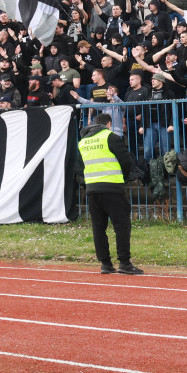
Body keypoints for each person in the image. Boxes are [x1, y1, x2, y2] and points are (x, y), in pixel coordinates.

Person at [77, 113, 144, 275]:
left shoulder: (83, 141)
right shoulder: (111, 137)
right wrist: (124, 178)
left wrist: (88, 184)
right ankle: (124, 263)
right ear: (108, 124)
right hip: (112, 187)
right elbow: (125, 161)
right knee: (121, 225)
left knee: (98, 228)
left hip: (92, 190)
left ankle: (105, 264)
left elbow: (78, 169)